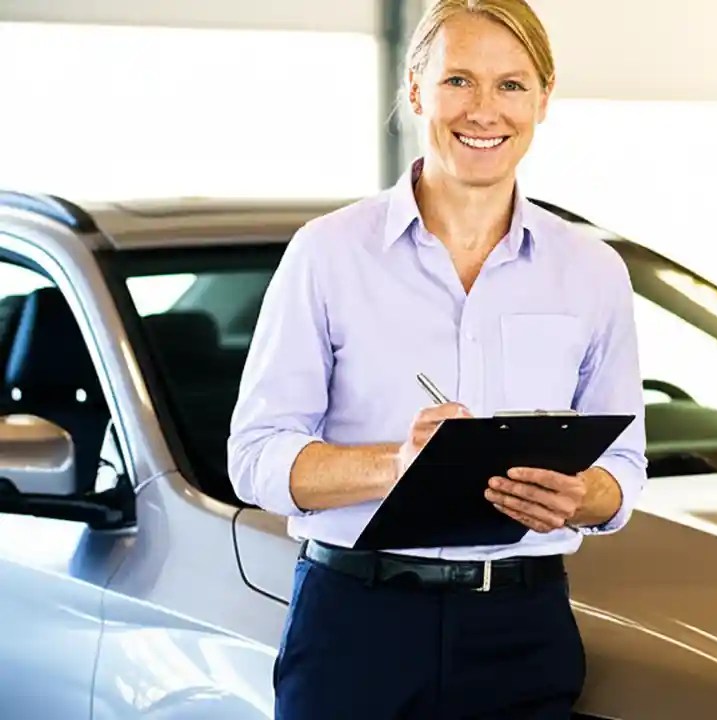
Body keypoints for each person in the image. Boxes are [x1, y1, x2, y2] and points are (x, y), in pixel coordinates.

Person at [226, 0, 647, 716]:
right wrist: (395, 465)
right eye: (459, 80)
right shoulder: (328, 253)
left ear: (544, 100)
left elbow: (623, 469)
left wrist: (583, 496)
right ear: (416, 89)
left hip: (523, 627)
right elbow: (257, 458)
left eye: (511, 85)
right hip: (358, 624)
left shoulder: (593, 270)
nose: (485, 110)